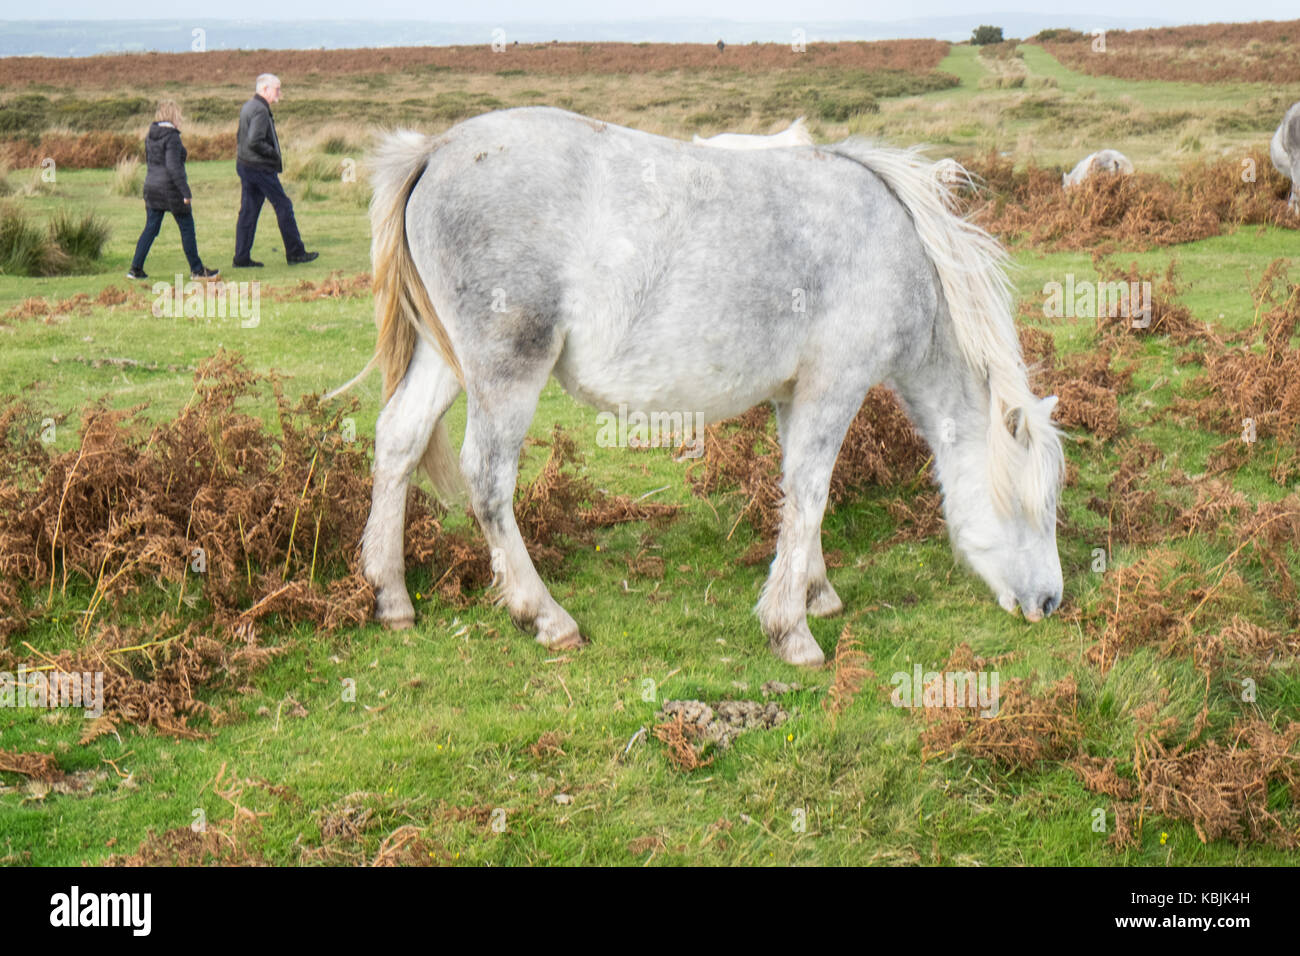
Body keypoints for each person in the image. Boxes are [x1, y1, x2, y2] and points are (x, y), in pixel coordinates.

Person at [126, 101, 219, 280]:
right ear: (174, 116)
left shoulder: (150, 135)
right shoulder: (172, 137)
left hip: (151, 187)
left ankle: (135, 268)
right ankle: (197, 270)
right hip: (170, 189)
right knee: (187, 228)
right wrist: (185, 192)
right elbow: (173, 166)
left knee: (151, 228)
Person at [233, 73, 318, 267]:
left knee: (248, 211)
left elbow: (241, 137)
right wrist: (272, 154)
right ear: (264, 89)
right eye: (277, 89)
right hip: (259, 168)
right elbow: (254, 140)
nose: (279, 93)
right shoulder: (261, 110)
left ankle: (241, 257)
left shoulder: (248, 106)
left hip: (246, 165)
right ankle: (295, 253)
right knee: (283, 206)